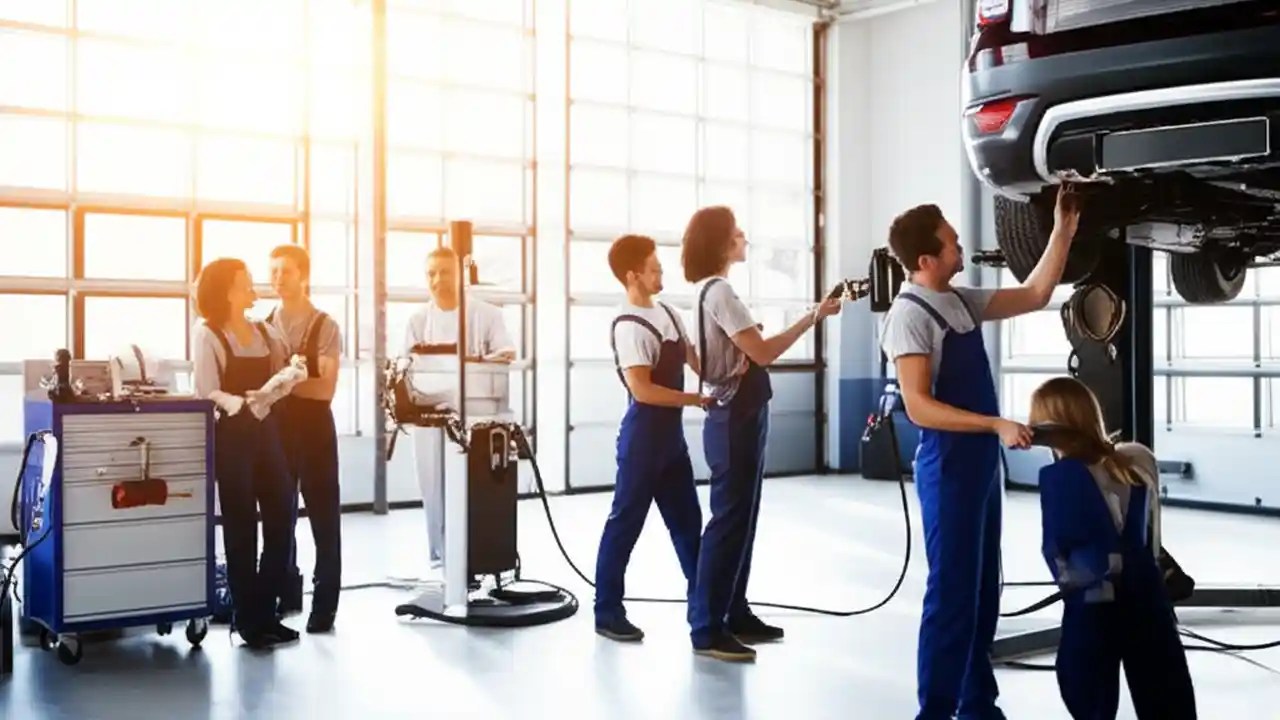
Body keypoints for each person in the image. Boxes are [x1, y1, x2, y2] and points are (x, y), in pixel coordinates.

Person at [879, 184, 1080, 720]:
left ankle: (977, 705)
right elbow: (919, 407)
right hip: (948, 465)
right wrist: (994, 424)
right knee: (952, 594)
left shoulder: (958, 300)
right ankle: (935, 711)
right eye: (951, 243)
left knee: (983, 590)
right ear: (926, 260)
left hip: (981, 467)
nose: (960, 247)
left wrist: (1062, 228)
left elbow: (1035, 294)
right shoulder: (909, 315)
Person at [681, 206, 842, 662]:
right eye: (737, 233)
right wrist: (814, 316)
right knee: (729, 521)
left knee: (742, 519)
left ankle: (734, 612)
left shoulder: (706, 293)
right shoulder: (721, 291)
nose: (744, 238)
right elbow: (765, 353)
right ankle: (706, 628)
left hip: (739, 411)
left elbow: (719, 354)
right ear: (721, 244)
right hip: (736, 415)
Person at [1029, 377, 1196, 720]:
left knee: (1085, 691)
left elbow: (1065, 550)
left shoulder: (1062, 478)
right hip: (1147, 594)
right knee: (1166, 693)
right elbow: (1149, 534)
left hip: (1094, 601)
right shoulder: (1138, 459)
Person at [594, 234, 713, 642]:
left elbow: (698, 360)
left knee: (689, 526)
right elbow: (642, 390)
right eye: (653, 267)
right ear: (633, 276)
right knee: (625, 524)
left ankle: (705, 611)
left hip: (671, 442)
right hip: (643, 441)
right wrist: (694, 399)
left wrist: (733, 359)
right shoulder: (629, 325)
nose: (661, 272)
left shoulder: (669, 314)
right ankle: (607, 612)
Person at [191, 258, 299, 649]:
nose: (253, 288)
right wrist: (239, 403)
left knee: (282, 519)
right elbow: (207, 390)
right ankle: (248, 621)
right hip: (233, 437)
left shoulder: (264, 331)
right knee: (241, 530)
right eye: (245, 283)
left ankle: (267, 613)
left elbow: (283, 370)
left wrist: (288, 379)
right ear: (226, 292)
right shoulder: (208, 334)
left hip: (268, 433)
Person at [405, 245, 517, 566]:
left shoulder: (487, 314)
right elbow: (407, 366)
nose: (438, 280)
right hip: (431, 419)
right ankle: (440, 555)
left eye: (445, 272)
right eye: (431, 274)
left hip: (477, 416)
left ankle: (477, 556)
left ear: (460, 275)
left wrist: (475, 361)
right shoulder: (418, 320)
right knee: (433, 487)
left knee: (476, 488)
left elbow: (506, 352)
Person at [266, 244, 344, 634]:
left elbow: (324, 389)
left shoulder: (325, 326)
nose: (278, 278)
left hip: (315, 431)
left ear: (304, 275)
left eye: (286, 271)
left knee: (324, 519)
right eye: (274, 271)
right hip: (276, 431)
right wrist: (291, 384)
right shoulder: (264, 326)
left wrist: (280, 385)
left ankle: (325, 604)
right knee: (278, 518)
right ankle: (284, 594)